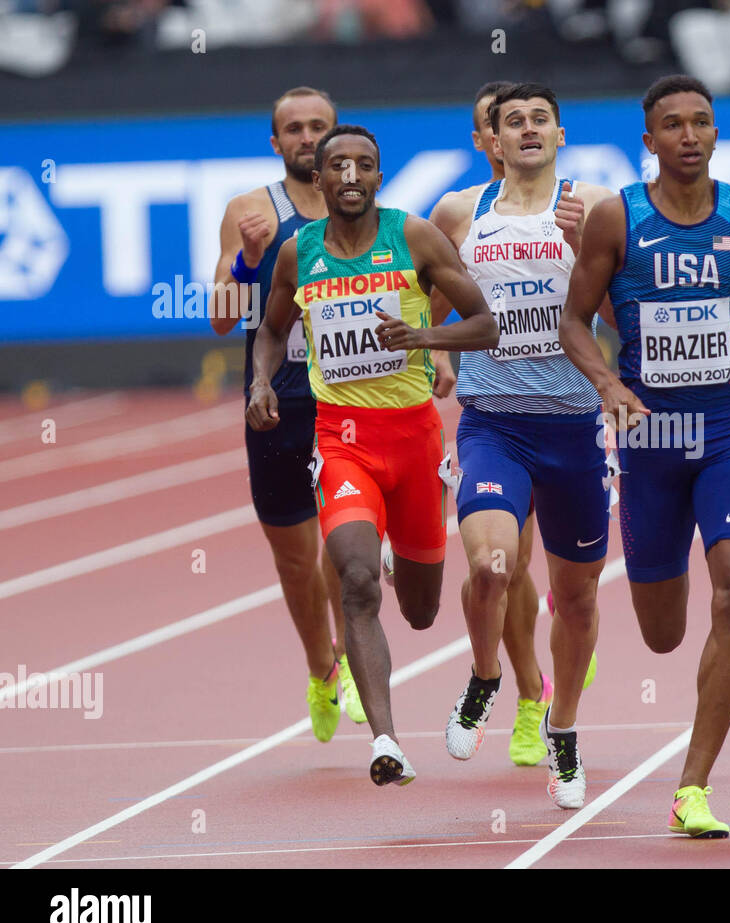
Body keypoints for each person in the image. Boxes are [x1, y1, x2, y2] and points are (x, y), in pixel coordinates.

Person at [559, 75, 730, 837]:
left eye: (701, 122)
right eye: (671, 124)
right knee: (663, 631)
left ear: (715, 131)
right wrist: (608, 384)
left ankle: (692, 786)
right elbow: (574, 320)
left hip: (728, 428)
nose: (688, 135)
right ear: (649, 140)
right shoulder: (617, 219)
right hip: (648, 437)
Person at [247, 124, 499, 786]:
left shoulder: (412, 236)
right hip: (340, 439)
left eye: (364, 164)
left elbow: (485, 323)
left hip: (413, 440)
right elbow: (272, 332)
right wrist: (259, 383)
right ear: (320, 180)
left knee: (419, 612)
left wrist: (422, 334)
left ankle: (390, 545)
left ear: (379, 178)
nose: (351, 175)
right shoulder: (297, 255)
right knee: (356, 580)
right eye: (338, 165)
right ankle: (386, 741)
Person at [432, 83, 613, 809]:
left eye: (541, 118)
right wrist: (435, 350)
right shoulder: (459, 212)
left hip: (572, 428)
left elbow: (621, 305)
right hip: (493, 423)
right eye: (514, 121)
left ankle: (561, 730)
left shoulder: (597, 206)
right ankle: (485, 677)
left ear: (560, 133)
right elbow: (426, 296)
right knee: (491, 566)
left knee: (575, 599)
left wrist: (585, 247)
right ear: (494, 139)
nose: (529, 129)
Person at [208, 86, 366, 743]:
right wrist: (248, 260)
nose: (307, 138)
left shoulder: (365, 210)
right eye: (294, 129)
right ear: (276, 143)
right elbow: (221, 319)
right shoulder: (249, 211)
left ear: (337, 136)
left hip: (349, 400)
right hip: (276, 400)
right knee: (297, 560)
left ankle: (357, 660)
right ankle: (319, 668)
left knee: (346, 545)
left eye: (318, 127)